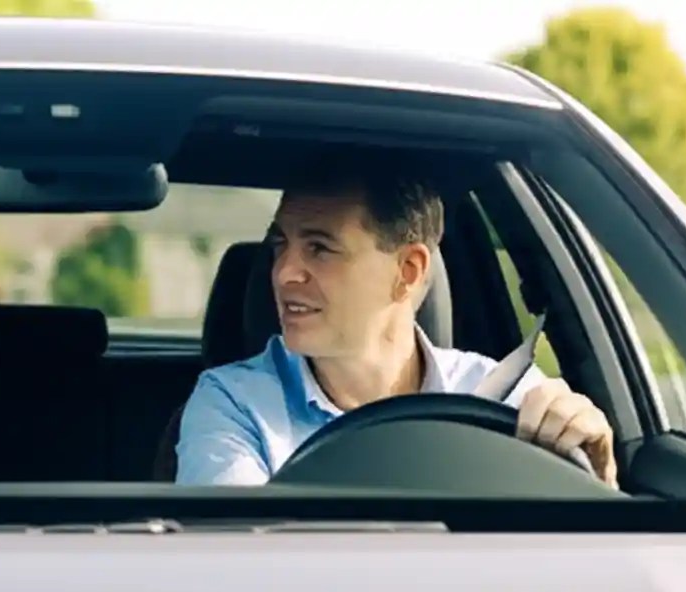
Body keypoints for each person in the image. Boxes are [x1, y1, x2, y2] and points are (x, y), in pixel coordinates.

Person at [175, 169, 618, 488]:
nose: (284, 271)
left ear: (407, 270)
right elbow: (239, 566)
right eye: (281, 244)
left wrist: (596, 473)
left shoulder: (504, 396)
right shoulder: (235, 404)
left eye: (319, 248)